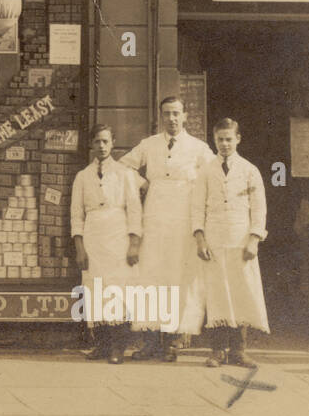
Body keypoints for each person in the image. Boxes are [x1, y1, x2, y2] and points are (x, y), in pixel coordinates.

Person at [119, 96, 216, 362]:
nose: (172, 119)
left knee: (179, 277)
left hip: (184, 221)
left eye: (176, 113)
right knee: (152, 276)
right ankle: (150, 340)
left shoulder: (199, 148)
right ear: (161, 117)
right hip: (155, 218)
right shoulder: (149, 145)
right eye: (167, 114)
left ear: (185, 116)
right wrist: (143, 183)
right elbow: (123, 167)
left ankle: (174, 341)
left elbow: (213, 178)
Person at [191, 118, 269, 368]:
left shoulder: (249, 170)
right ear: (214, 141)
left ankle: (239, 350)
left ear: (238, 139)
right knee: (217, 294)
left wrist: (254, 239)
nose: (224, 144)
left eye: (228, 139)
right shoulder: (205, 171)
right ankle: (217, 350)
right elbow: (196, 207)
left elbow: (259, 209)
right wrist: (200, 238)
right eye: (219, 140)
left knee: (241, 292)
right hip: (214, 239)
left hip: (240, 238)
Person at [71, 124, 143, 364]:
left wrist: (134, 244)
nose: (101, 146)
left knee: (118, 290)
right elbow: (76, 215)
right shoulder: (82, 176)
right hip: (93, 237)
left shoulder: (124, 173)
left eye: (106, 141)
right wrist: (80, 247)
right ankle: (101, 346)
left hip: (118, 236)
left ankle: (118, 348)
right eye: (97, 142)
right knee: (96, 289)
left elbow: (134, 208)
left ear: (113, 143)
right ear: (91, 144)